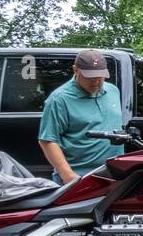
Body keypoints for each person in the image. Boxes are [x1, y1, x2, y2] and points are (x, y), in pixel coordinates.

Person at [37, 49, 125, 186]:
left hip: (113, 175)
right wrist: (68, 177)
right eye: (90, 77)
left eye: (100, 76)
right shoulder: (59, 99)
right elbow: (47, 140)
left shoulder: (113, 91)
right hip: (79, 179)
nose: (96, 81)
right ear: (75, 70)